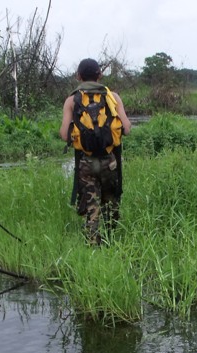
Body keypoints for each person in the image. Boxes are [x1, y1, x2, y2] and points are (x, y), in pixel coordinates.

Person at [59, 58, 132, 245]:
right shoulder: (113, 97)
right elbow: (127, 128)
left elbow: (64, 135)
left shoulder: (71, 100)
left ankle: (93, 246)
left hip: (86, 163)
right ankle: (110, 243)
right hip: (110, 161)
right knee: (110, 204)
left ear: (78, 76)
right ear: (100, 75)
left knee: (92, 208)